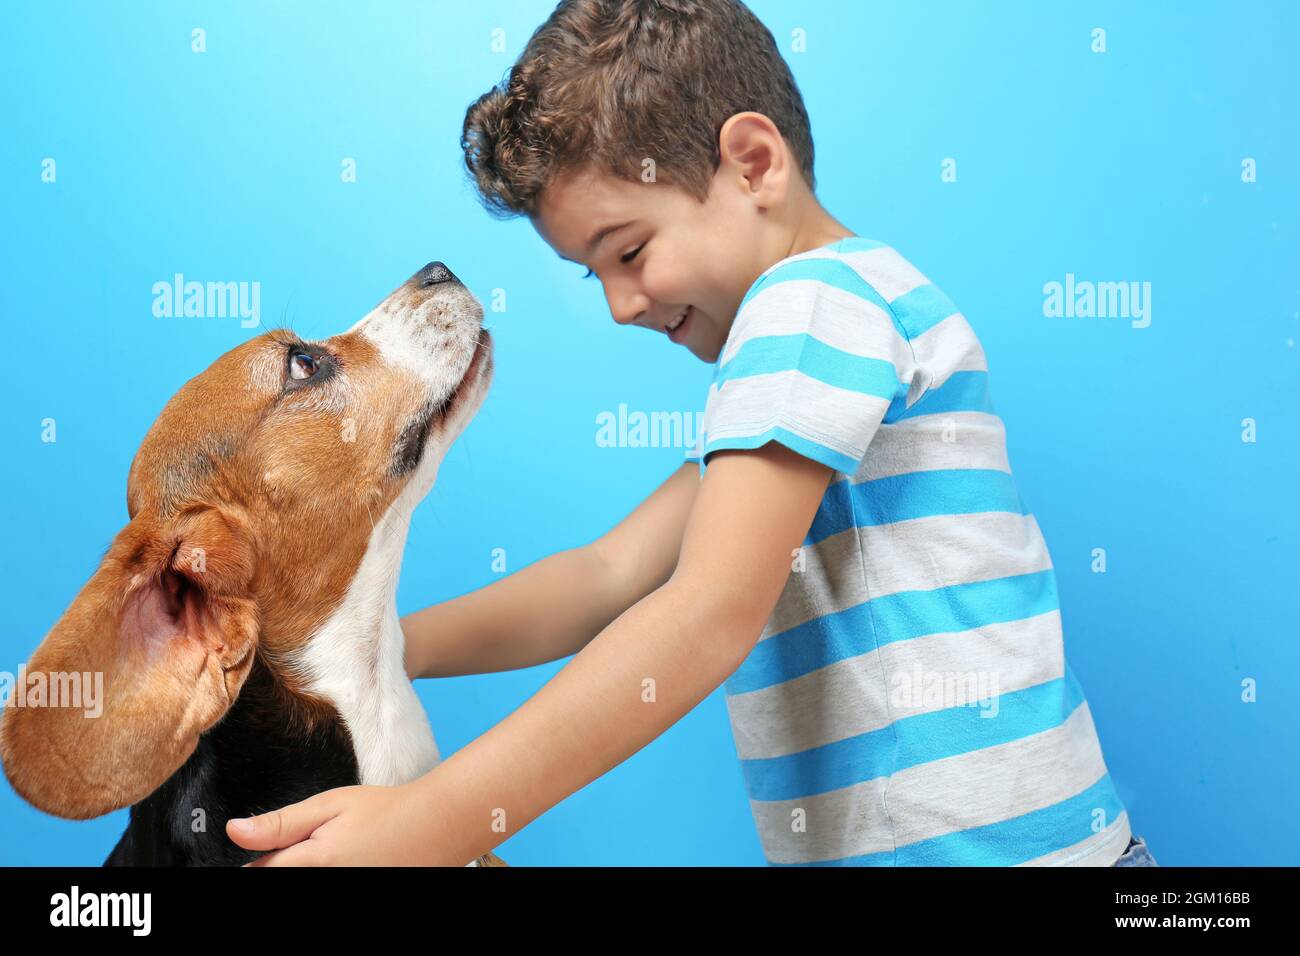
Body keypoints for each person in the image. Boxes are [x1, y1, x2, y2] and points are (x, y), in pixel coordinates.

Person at [227, 0, 1149, 866]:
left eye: (628, 251)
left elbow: (704, 613)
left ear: (753, 164)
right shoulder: (821, 349)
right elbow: (607, 576)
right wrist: (389, 647)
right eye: (595, 276)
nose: (624, 306)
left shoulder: (808, 306)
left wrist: (427, 824)